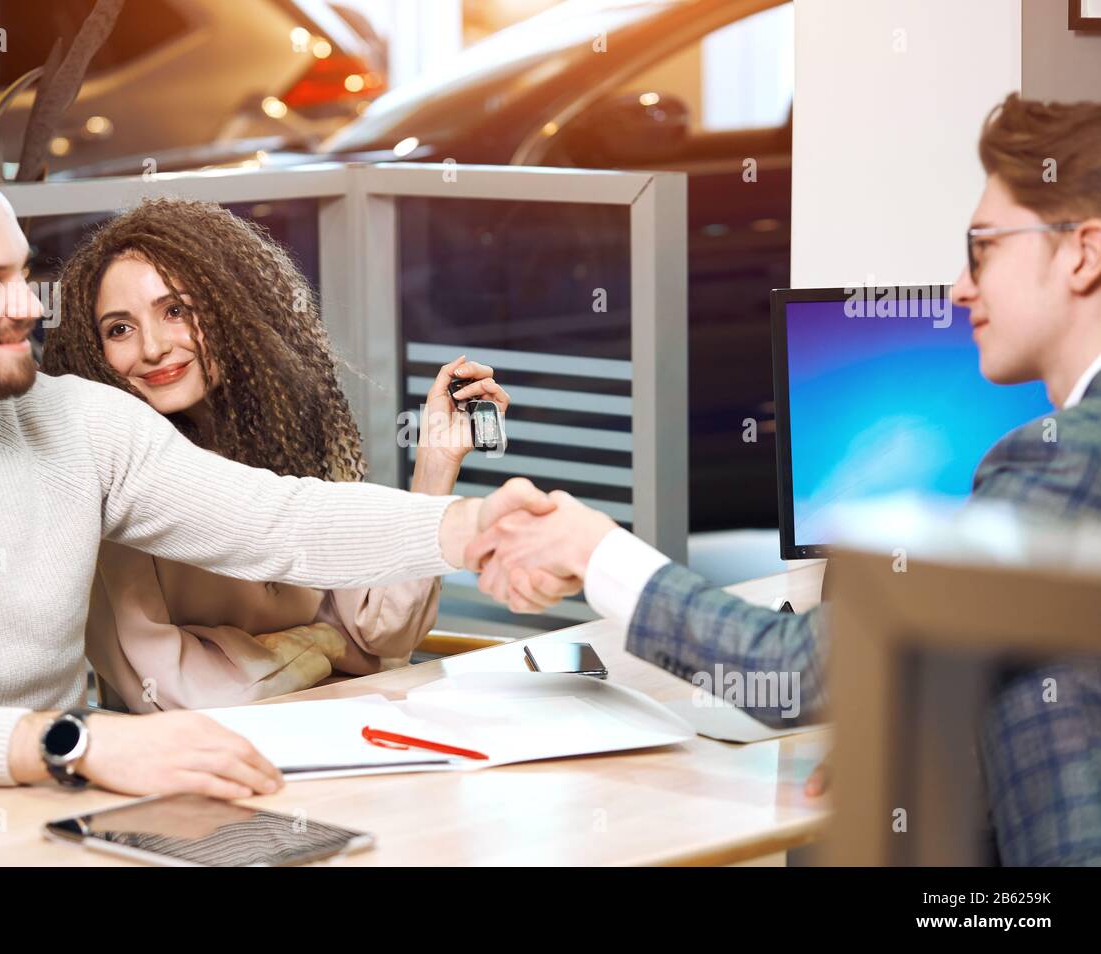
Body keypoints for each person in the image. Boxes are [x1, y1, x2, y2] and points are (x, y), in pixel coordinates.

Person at [468, 94, 1101, 866]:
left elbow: (793, 672)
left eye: (982, 249)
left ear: (1082, 252)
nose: (961, 289)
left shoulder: (1064, 455)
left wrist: (593, 546)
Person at [0, 149, 553, 798]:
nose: (32, 306)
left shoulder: (82, 422)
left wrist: (472, 528)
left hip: (62, 811)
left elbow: (278, 521)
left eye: (25, 274)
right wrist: (81, 744)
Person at [41, 198, 510, 709]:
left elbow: (383, 635)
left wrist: (435, 465)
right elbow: (171, 695)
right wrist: (327, 644)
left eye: (175, 311)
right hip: (215, 755)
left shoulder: (291, 431)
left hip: (345, 724)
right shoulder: (112, 474)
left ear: (231, 307)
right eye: (120, 329)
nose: (152, 348)